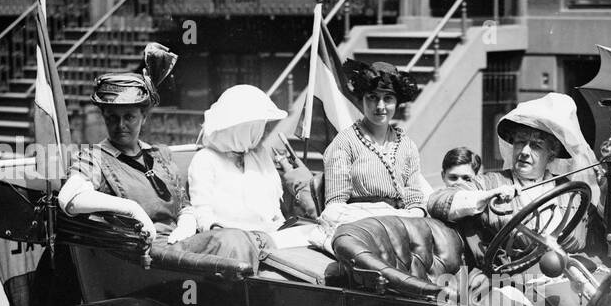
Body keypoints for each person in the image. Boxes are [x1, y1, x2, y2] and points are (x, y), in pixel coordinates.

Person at [57, 45, 259, 265]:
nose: (120, 125)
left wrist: (186, 223)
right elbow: (69, 198)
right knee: (233, 241)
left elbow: (184, 205)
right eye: (112, 118)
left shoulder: (158, 155)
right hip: (142, 253)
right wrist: (132, 209)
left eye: (129, 117)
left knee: (241, 238)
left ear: (143, 117)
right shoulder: (94, 157)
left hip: (179, 243)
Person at [428, 92, 602, 261]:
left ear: (551, 154)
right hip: (512, 280)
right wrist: (488, 195)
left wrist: (607, 194)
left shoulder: (572, 193)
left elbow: (601, 235)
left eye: (536, 146)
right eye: (520, 142)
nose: (525, 152)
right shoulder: (491, 182)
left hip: (568, 278)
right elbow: (437, 201)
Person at [169, 84, 323, 257]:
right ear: (241, 128)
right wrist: (217, 229)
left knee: (318, 234)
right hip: (235, 242)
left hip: (271, 236)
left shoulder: (259, 155)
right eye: (258, 127)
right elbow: (202, 211)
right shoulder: (205, 159)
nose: (264, 133)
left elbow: (274, 207)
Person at [320, 60, 432, 229]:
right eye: (372, 97)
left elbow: (415, 200)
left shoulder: (407, 146)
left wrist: (410, 215)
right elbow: (335, 204)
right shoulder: (345, 142)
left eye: (388, 98)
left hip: (401, 225)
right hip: (359, 226)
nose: (380, 106)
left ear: (397, 102)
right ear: (362, 100)